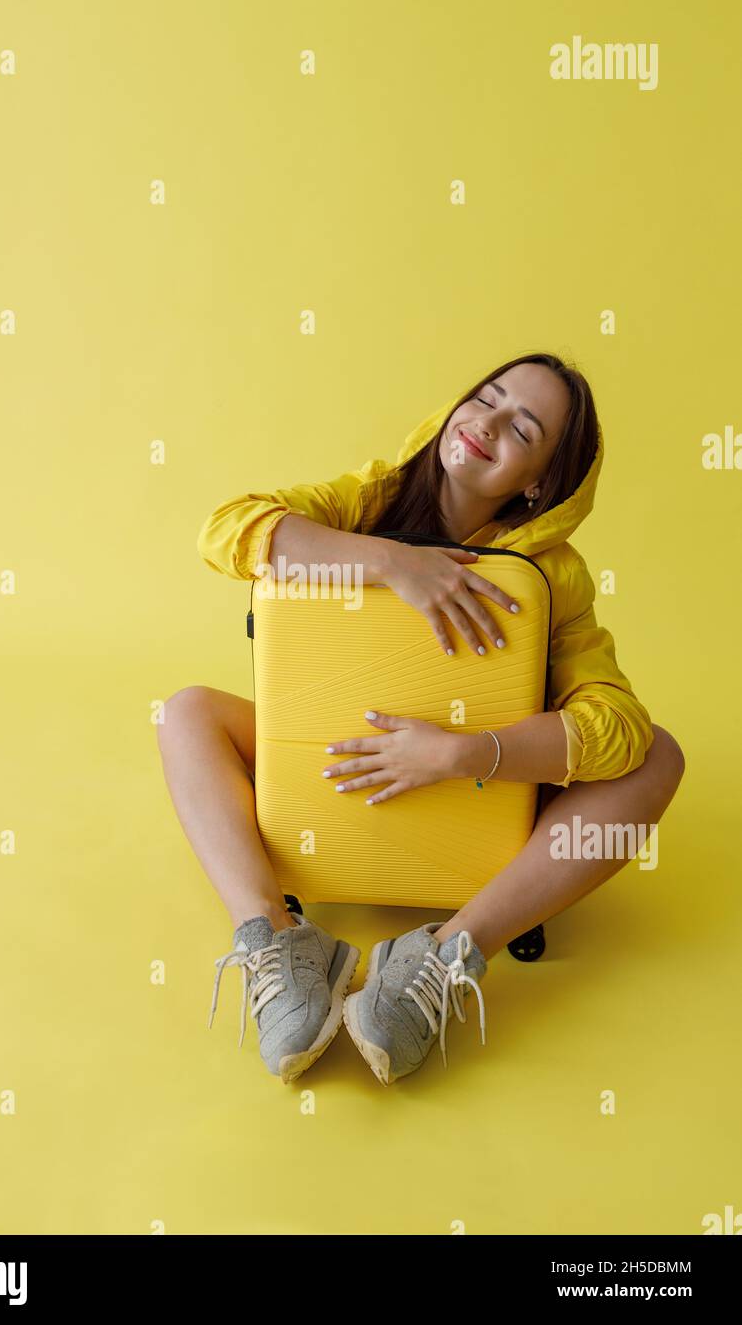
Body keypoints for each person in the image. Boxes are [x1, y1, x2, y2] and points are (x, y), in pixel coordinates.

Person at [157, 353, 685, 1086]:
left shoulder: (554, 574)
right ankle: (278, 939)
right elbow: (227, 530)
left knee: (657, 757)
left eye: (522, 426)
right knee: (185, 713)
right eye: (485, 398)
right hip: (330, 773)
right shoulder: (369, 499)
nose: (486, 423)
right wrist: (388, 563)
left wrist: (464, 754)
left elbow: (616, 724)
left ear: (538, 482)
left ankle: (443, 958)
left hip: (473, 803)